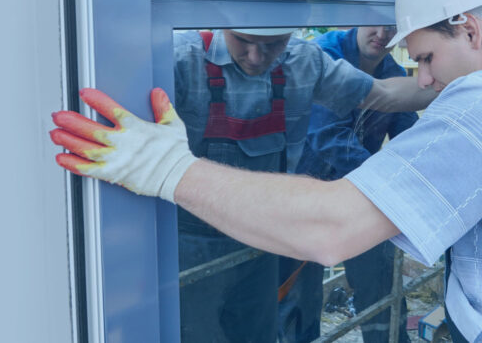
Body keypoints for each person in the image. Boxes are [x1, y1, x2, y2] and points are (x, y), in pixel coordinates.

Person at [49, 0, 482, 342]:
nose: (424, 80)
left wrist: (164, 169)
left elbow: (332, 228)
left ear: (470, 29)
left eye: (425, 57)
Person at [173, 25, 434, 343]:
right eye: (243, 40)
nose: (256, 56)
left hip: (266, 241)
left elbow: (386, 95)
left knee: (263, 330)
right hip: (192, 252)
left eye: (273, 44)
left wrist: (462, 85)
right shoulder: (180, 61)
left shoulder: (303, 63)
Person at [284, 26, 418, 343]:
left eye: (394, 27)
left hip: (360, 196)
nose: (383, 33)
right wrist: (386, 185)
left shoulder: (393, 73)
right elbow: (329, 137)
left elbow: (409, 138)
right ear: (357, 16)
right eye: (375, 22)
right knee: (301, 295)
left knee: (380, 277)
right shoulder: (322, 57)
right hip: (305, 198)